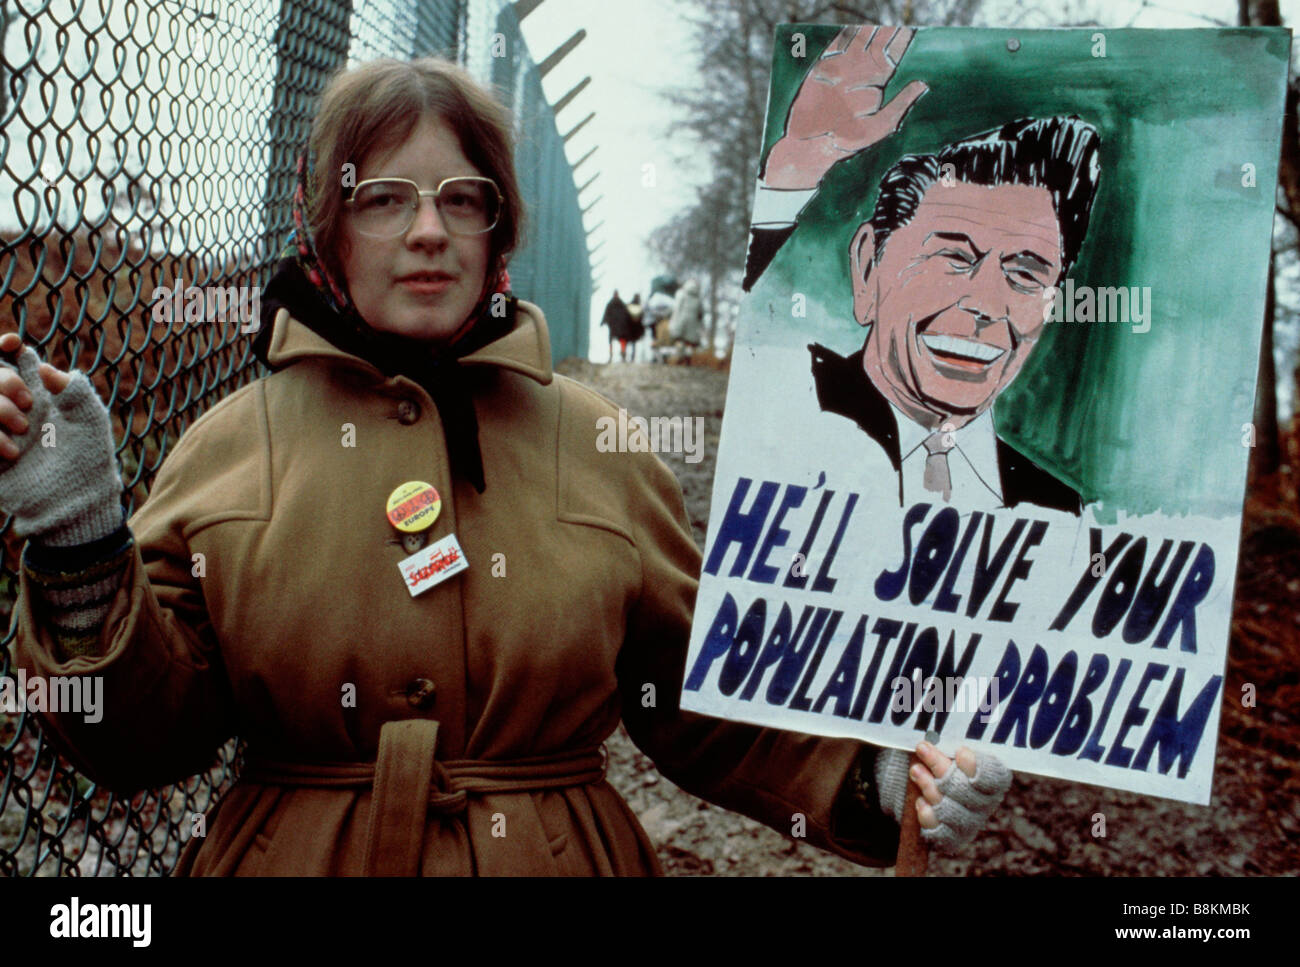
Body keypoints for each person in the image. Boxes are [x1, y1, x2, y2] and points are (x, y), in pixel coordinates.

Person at [1, 55, 1008, 876]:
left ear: (501, 227)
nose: (427, 231)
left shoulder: (597, 448)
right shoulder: (229, 447)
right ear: (329, 229)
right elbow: (139, 743)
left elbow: (702, 703)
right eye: (383, 198)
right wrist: (82, 539)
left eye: (462, 199)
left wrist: (880, 775)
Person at [744, 25, 1094, 514]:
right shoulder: (782, 415)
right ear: (868, 268)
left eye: (1026, 274)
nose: (987, 305)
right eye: (954, 257)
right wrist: (796, 168)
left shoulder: (1062, 513)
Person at [669, 278, 704, 360]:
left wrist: (674, 319)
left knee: (680, 338)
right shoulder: (698, 298)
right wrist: (699, 320)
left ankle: (679, 356)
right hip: (693, 321)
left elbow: (677, 308)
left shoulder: (682, 295)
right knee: (689, 341)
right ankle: (688, 356)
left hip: (682, 319)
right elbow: (701, 312)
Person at [600, 289, 634, 362]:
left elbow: (627, 314)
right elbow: (606, 313)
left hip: (620, 326)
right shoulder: (611, 304)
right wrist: (602, 322)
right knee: (612, 340)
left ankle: (623, 354)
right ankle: (611, 355)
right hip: (613, 326)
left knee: (622, 339)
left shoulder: (621, 304)